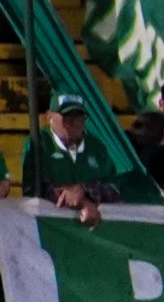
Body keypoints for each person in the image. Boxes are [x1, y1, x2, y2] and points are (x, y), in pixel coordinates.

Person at [21, 93, 128, 223]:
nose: (74, 121)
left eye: (79, 116)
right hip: (50, 228)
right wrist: (82, 203)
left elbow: (114, 188)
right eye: (66, 115)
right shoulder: (39, 143)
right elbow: (34, 188)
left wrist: (85, 191)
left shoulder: (96, 146)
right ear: (49, 117)